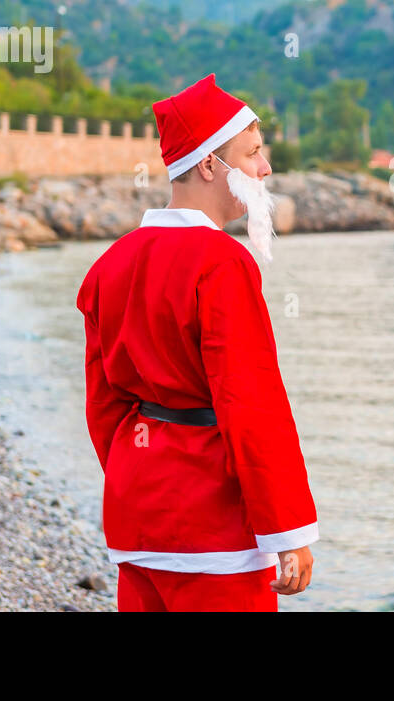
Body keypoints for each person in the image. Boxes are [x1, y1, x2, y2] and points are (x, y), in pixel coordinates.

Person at [75, 73, 317, 611]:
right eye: (253, 153)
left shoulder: (108, 265)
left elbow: (103, 406)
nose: (265, 169)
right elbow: (251, 404)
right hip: (215, 529)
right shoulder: (224, 264)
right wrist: (289, 530)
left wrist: (135, 479)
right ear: (209, 164)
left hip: (137, 518)